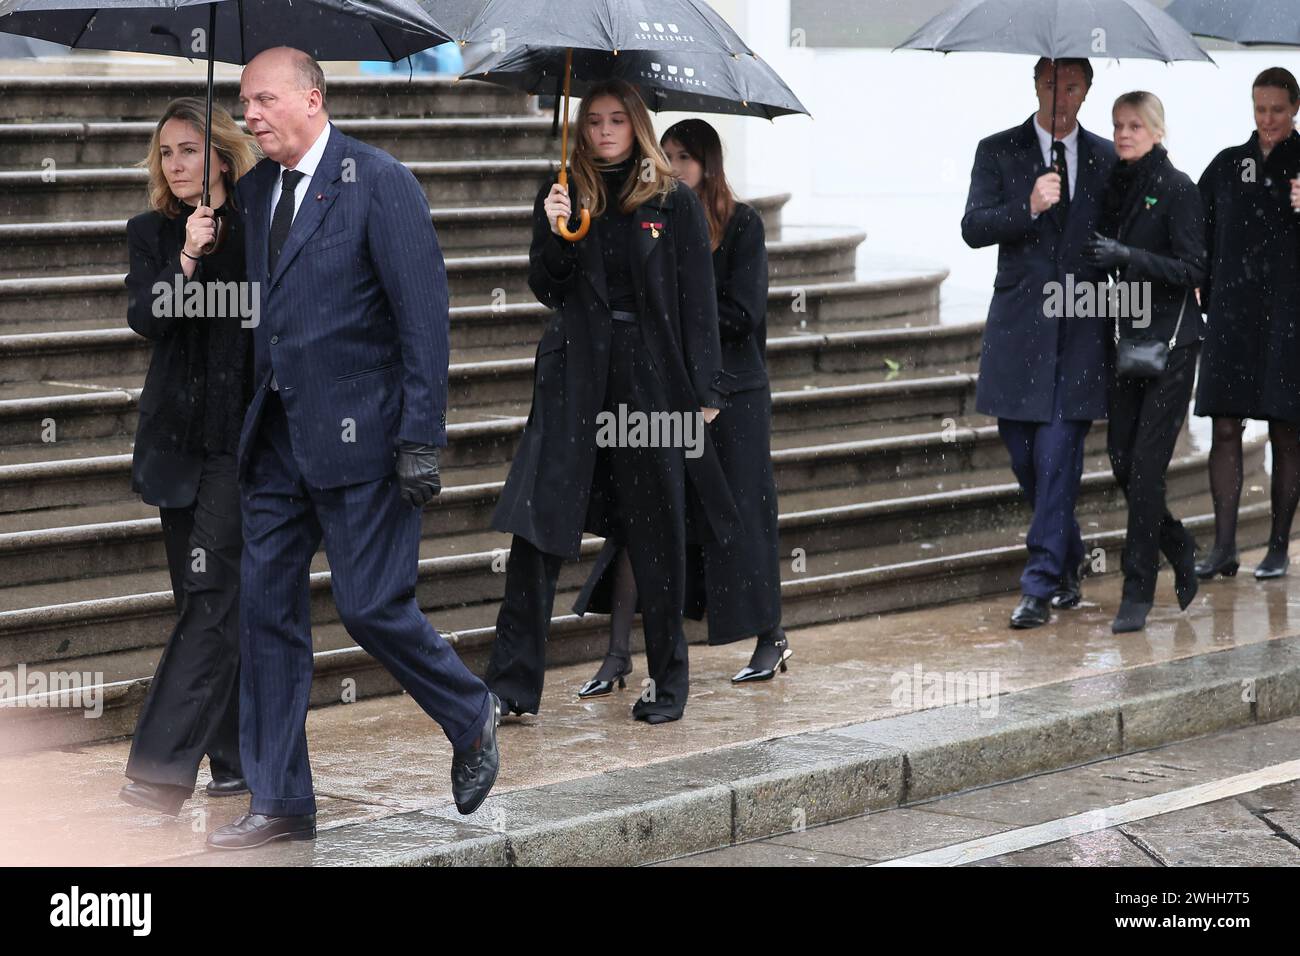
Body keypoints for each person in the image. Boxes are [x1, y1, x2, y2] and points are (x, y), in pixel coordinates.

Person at [206, 48, 500, 851]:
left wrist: (420, 440)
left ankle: (470, 712)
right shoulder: (256, 192)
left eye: (263, 100)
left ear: (311, 98)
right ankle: (281, 801)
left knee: (372, 607)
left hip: (365, 443)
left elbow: (423, 322)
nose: (250, 116)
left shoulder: (380, 182)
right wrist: (200, 248)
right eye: (242, 103)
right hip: (275, 447)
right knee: (266, 616)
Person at [484, 80, 740, 725]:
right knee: (537, 530)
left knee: (656, 529)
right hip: (575, 375)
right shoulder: (564, 191)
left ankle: (667, 680)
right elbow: (547, 287)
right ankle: (511, 686)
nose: (602, 131)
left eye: (615, 120)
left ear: (637, 126)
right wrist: (557, 233)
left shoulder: (672, 201)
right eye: (593, 121)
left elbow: (696, 301)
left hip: (649, 379)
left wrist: (706, 389)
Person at [572, 118, 787, 694]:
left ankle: (771, 636)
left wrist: (679, 309)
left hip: (732, 395)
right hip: (667, 391)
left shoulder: (742, 225)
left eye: (684, 157)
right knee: (639, 517)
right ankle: (618, 654)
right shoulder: (654, 220)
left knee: (740, 513)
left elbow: (744, 313)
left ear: (708, 165)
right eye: (664, 154)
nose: (671, 166)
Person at [119, 98, 259, 816]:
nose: (175, 164)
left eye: (189, 150)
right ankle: (231, 761)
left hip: (239, 444)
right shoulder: (151, 234)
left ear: (223, 156)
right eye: (166, 152)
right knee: (202, 601)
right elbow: (147, 316)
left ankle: (158, 770)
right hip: (176, 439)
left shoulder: (262, 223)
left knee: (211, 597)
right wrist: (186, 256)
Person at [961, 57, 1118, 629]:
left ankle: (1039, 584)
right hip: (1019, 329)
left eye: (1071, 86)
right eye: (1050, 84)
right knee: (1027, 459)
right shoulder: (998, 149)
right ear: (1035, 86)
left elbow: (1129, 233)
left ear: (1086, 92)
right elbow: (974, 227)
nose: (1060, 95)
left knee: (1058, 458)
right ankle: (1070, 556)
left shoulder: (1105, 157)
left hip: (1081, 332)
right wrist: (1027, 207)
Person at [1082, 92, 1206, 633]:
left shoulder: (1178, 188)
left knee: (1148, 464)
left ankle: (1137, 589)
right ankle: (1177, 541)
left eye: (1135, 125)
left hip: (1173, 345)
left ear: (1156, 130)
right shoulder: (1116, 186)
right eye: (1117, 126)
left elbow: (1193, 268)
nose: (1124, 134)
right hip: (1129, 340)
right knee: (1120, 459)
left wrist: (1128, 256)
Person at [1199, 68, 1300, 581]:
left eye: (1277, 111)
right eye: (1259, 109)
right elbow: (1193, 227)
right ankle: (1223, 548)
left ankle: (1279, 546)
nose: (1266, 120)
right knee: (1223, 427)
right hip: (1232, 317)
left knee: (1286, 430)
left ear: (1295, 109)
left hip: (1289, 318)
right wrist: (1196, 278)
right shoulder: (1226, 165)